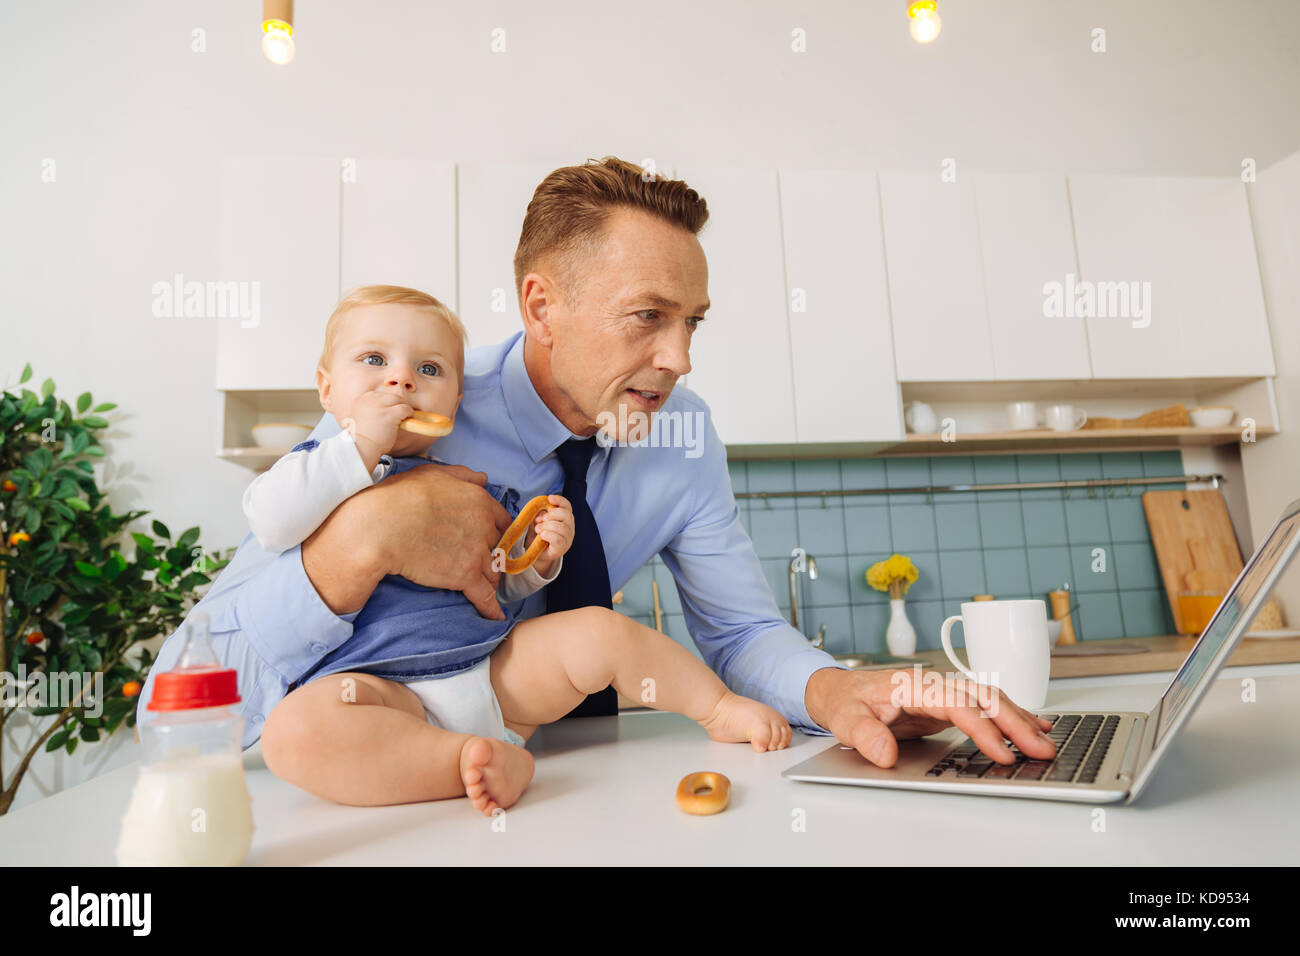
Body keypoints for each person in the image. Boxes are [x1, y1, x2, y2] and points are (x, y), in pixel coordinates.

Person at [136, 155, 1055, 807]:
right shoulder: (408, 407)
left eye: (692, 320)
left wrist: (832, 691)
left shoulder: (684, 438)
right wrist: (359, 545)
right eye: (647, 317)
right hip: (374, 811)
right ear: (543, 304)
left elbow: (738, 630)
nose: (680, 357)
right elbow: (171, 698)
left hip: (578, 798)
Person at [233, 284, 790, 813]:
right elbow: (271, 521)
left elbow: (497, 576)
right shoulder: (312, 466)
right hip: (381, 691)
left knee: (600, 631)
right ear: (327, 389)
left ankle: (716, 707)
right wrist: (357, 447)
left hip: (490, 672)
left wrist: (540, 561)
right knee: (294, 733)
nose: (400, 381)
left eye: (428, 370)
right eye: (374, 361)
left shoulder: (465, 483)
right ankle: (466, 761)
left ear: (455, 399)